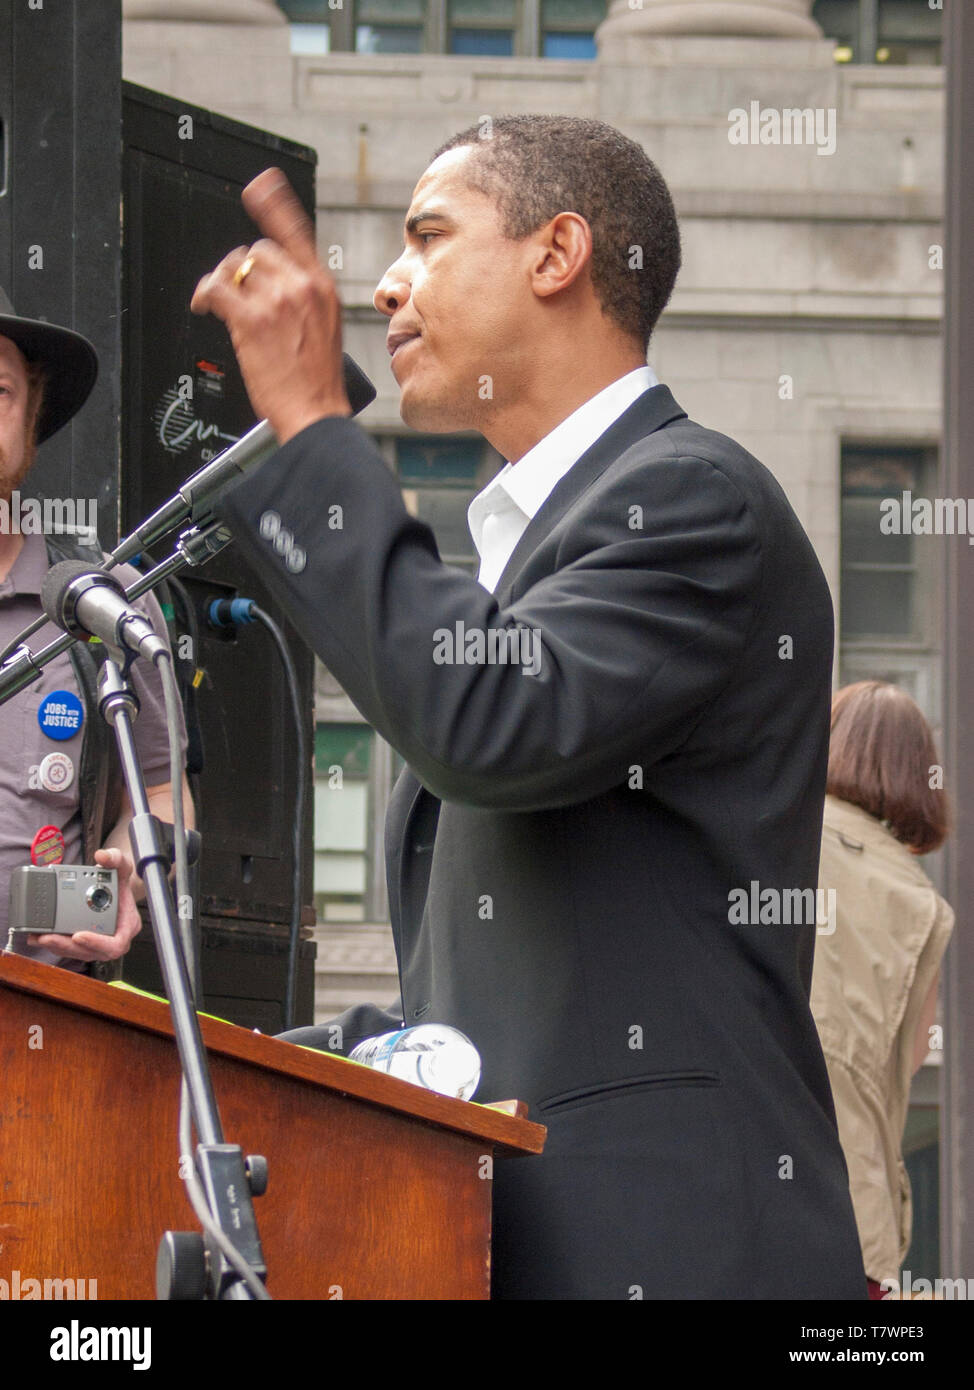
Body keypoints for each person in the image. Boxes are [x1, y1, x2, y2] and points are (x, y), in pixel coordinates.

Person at [192, 115, 867, 1299]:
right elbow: (526, 969)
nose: (389, 284)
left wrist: (309, 428)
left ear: (557, 253)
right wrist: (256, 1067)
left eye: (428, 236)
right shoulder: (538, 551)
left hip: (667, 1243)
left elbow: (481, 722)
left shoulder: (690, 500)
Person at [0, 288, 190, 974]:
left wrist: (129, 879)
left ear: (32, 416)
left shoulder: (95, 605)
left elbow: (167, 792)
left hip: (47, 1035)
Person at [810, 681, 953, 1299]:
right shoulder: (922, 906)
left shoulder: (776, 836)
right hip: (856, 1204)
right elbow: (915, 1055)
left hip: (746, 1173)